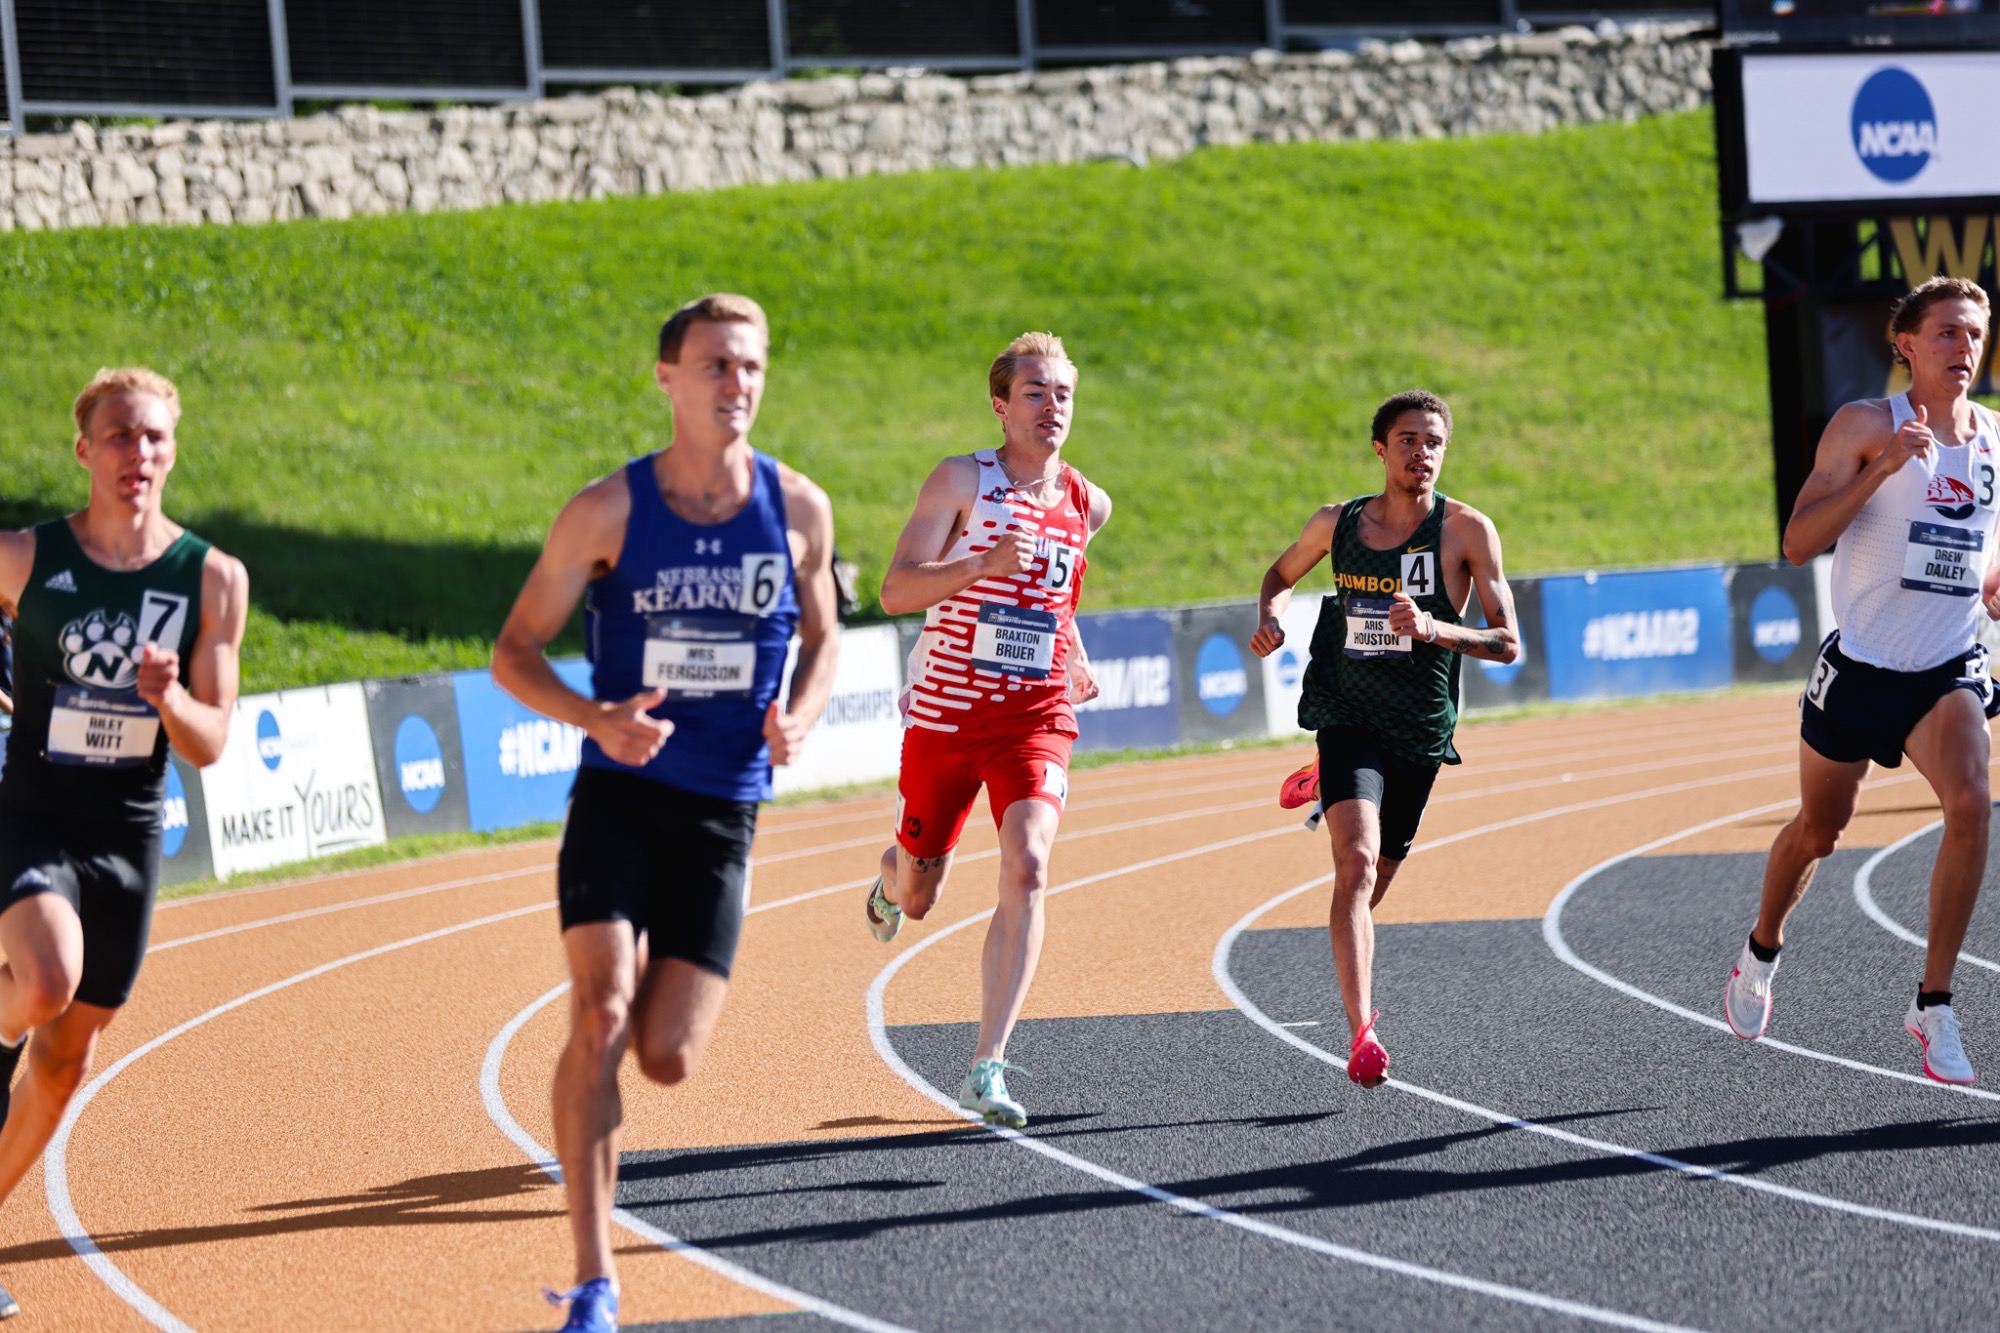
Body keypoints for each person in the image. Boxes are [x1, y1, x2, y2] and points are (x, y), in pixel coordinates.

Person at [492, 295, 839, 1333]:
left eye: (752, 366)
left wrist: (801, 715)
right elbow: (513, 650)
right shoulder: (606, 510)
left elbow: (826, 637)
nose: (738, 384)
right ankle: (594, 1280)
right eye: (716, 365)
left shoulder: (799, 508)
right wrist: (594, 717)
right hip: (621, 794)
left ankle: (610, 1057)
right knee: (599, 1014)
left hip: (724, 809)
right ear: (667, 378)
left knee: (667, 1056)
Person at [0, 368, 249, 1321]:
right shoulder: (27, 557)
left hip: (128, 836)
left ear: (172, 451)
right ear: (83, 450)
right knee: (46, 977)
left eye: (152, 437)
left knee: (63, 1064)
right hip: (32, 815)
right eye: (117, 436)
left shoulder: (212, 578)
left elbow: (211, 740)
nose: (136, 453)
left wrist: (169, 697)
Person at [1723, 276, 1999, 1085]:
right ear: (1906, 344)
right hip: (1860, 667)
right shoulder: (1865, 425)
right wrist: (1881, 471)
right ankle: (1761, 949)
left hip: (1946, 666)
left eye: (1975, 333)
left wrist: (1992, 583)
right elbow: (1798, 542)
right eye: (1947, 332)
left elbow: (1983, 548)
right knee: (1820, 830)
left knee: (1971, 804)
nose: (1964, 347)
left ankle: (1934, 1001)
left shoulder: (1994, 439)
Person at [862, 332, 1109, 1130]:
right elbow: (896, 590)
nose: (1051, 406)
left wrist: (1074, 654)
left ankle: (986, 1064)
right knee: (920, 895)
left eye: (1062, 393)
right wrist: (980, 563)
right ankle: (893, 873)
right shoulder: (962, 479)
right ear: (1001, 405)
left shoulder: (1087, 501)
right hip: (946, 715)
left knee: (1028, 865)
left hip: (1034, 715)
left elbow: (1055, 598)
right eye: (1035, 392)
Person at [1249, 390, 1519, 1088]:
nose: (1420, 453)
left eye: (1433, 442)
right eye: (1407, 440)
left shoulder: (1467, 531)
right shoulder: (1336, 522)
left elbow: (1507, 642)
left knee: (1377, 880)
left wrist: (1434, 628)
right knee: (1358, 862)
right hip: (1347, 712)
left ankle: (1331, 790)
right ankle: (1361, 1032)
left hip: (1418, 728)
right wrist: (1271, 616)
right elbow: (1279, 574)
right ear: (1380, 449)